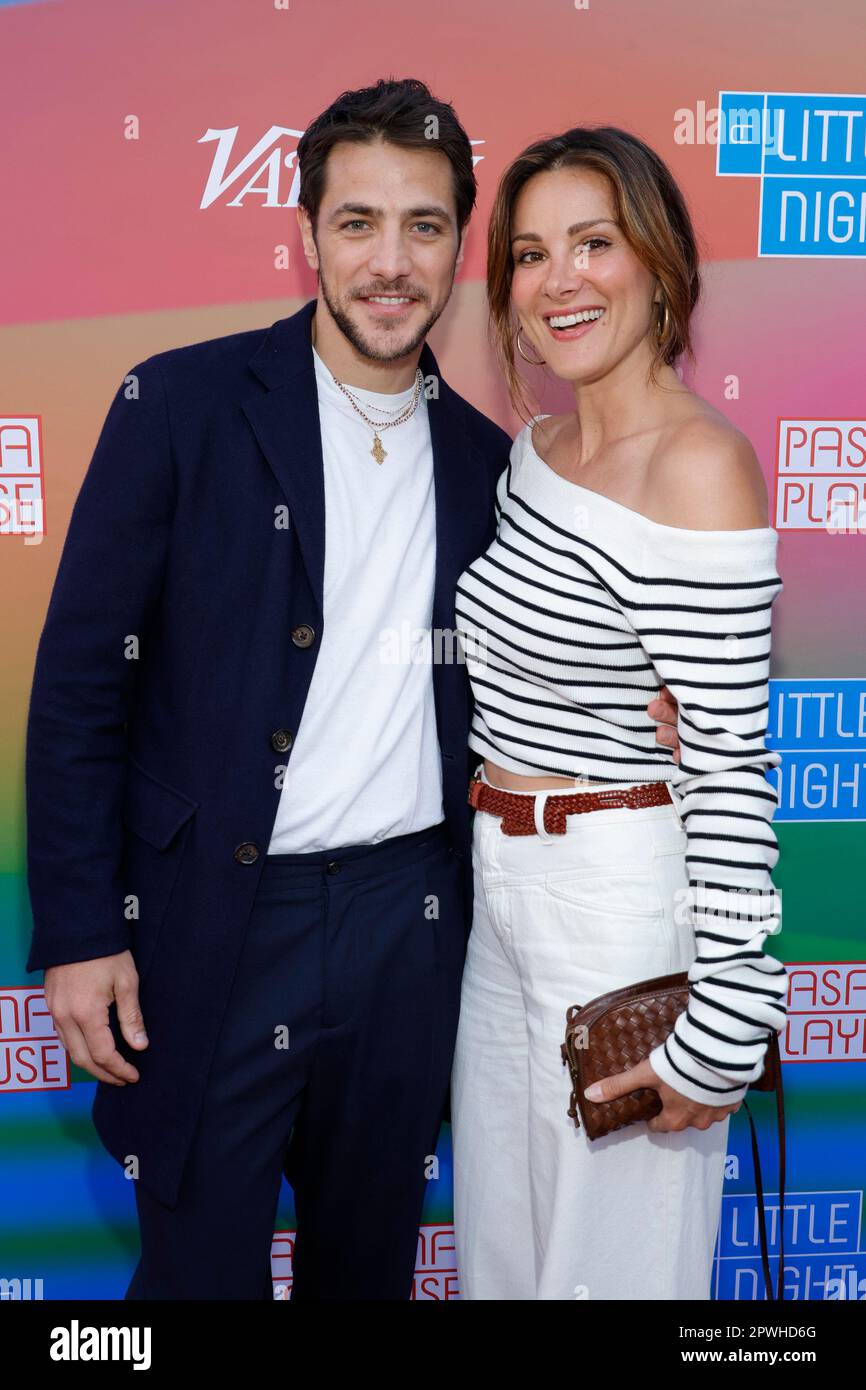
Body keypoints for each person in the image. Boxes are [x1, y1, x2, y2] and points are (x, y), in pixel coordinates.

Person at [23, 81, 680, 1300]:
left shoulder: (494, 466)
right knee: (195, 1279)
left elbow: (551, 657)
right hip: (219, 919)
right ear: (307, 234)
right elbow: (77, 693)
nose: (390, 262)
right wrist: (75, 934)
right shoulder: (178, 406)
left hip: (409, 931)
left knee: (365, 1267)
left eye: (424, 226)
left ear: (459, 246)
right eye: (358, 223)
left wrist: (642, 708)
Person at [451, 126, 788, 1300]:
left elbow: (733, 763)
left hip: (617, 905)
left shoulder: (699, 467)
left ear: (656, 262)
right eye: (531, 253)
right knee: (502, 1266)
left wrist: (732, 1006)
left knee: (610, 1281)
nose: (559, 280)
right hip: (501, 896)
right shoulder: (533, 452)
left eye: (592, 242)